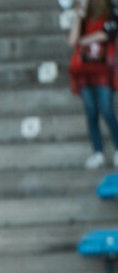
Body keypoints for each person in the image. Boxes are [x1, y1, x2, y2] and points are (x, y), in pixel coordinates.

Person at [69, 0, 118, 169]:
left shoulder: (111, 12)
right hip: (84, 72)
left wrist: (85, 40)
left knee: (107, 110)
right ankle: (97, 152)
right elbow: (72, 40)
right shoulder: (84, 17)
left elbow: (108, 34)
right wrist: (79, 15)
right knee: (91, 113)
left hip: (104, 71)